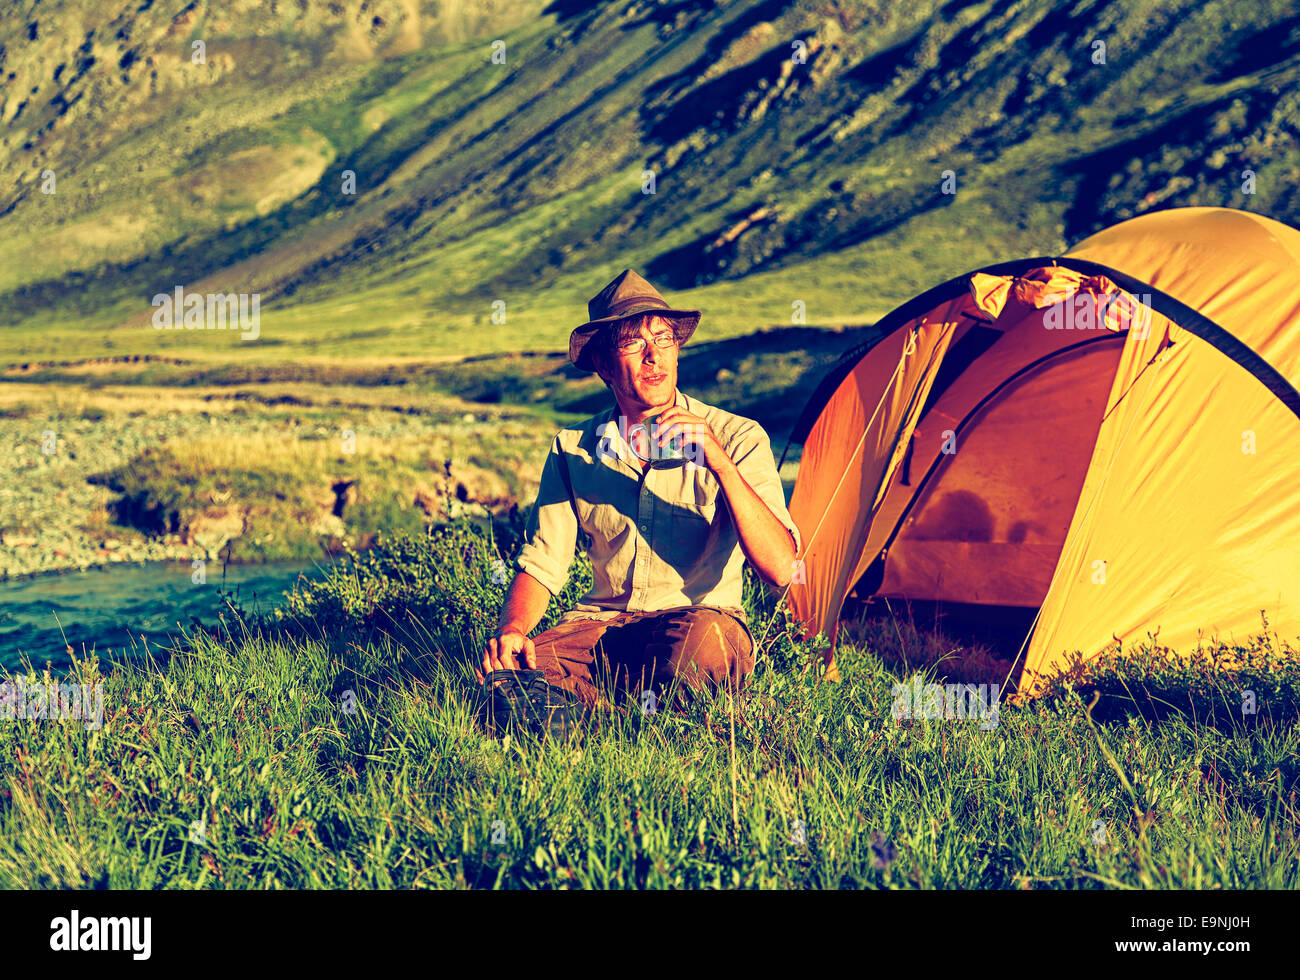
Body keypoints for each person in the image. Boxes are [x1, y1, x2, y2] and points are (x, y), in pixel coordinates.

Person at [476, 269, 803, 712]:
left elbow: (782, 568)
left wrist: (721, 464)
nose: (655, 356)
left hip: (698, 624)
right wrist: (513, 628)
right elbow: (542, 563)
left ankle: (603, 709)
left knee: (698, 652)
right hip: (601, 629)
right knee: (508, 679)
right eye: (634, 343)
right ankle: (594, 715)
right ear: (605, 366)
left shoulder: (739, 436)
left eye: (665, 339)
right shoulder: (573, 448)